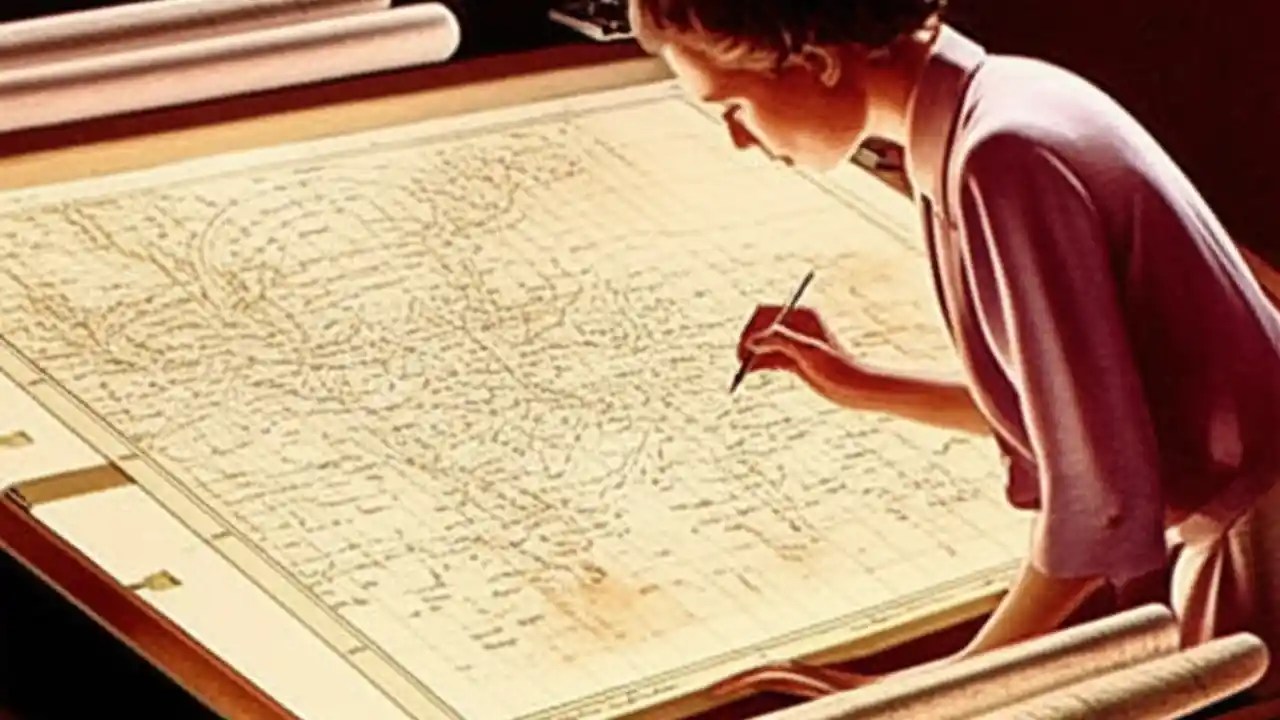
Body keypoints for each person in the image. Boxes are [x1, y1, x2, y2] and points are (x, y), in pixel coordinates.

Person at [629, 0, 1280, 702]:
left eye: (731, 106)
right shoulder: (1000, 99)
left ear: (816, 63)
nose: (737, 139)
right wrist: (862, 384)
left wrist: (948, 684)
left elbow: (1104, 503)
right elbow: (1085, 425)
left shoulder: (1002, 156)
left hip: (1257, 555)